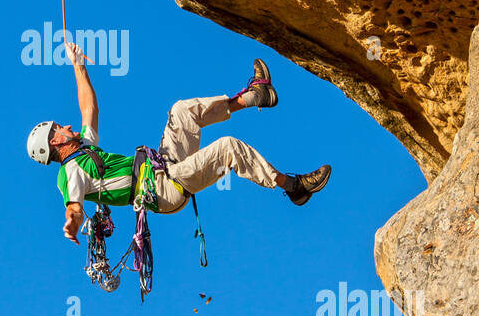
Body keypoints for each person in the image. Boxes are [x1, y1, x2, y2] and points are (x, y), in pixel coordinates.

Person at [26, 44, 331, 244]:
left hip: (163, 167)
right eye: (59, 128)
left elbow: (89, 109)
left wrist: (78, 66)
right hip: (161, 190)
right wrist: (72, 222)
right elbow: (75, 206)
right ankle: (294, 186)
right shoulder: (70, 173)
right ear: (54, 140)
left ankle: (253, 96)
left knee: (181, 111)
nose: (66, 126)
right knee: (227, 148)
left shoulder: (86, 151)